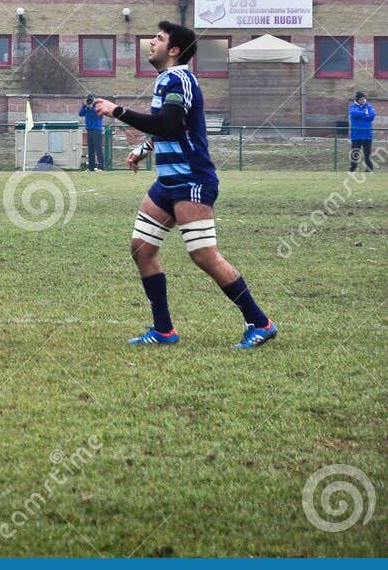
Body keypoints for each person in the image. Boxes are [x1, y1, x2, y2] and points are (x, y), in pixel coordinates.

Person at [92, 22, 278, 350]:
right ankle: (164, 330)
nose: (152, 42)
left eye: (159, 39)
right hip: (167, 183)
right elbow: (168, 127)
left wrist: (117, 110)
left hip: (192, 180)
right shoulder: (166, 81)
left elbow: (170, 122)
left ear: (174, 50)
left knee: (204, 256)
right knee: (142, 248)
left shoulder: (179, 79)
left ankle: (260, 322)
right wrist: (143, 150)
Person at [349, 91, 376, 173]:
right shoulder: (352, 106)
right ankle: (353, 169)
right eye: (361, 99)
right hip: (356, 135)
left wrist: (361, 115)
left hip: (367, 135)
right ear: (357, 100)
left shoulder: (369, 106)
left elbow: (372, 116)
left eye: (364, 98)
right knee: (355, 153)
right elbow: (353, 113)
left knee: (368, 154)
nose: (363, 100)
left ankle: (369, 169)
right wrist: (364, 114)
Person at [78, 94, 105, 171]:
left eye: (90, 100)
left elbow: (99, 114)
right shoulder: (86, 107)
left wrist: (92, 107)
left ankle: (101, 167)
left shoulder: (98, 107)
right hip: (89, 130)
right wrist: (83, 106)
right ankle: (91, 167)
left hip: (96, 130)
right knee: (90, 150)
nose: (89, 101)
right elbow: (80, 114)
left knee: (98, 149)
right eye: (88, 100)